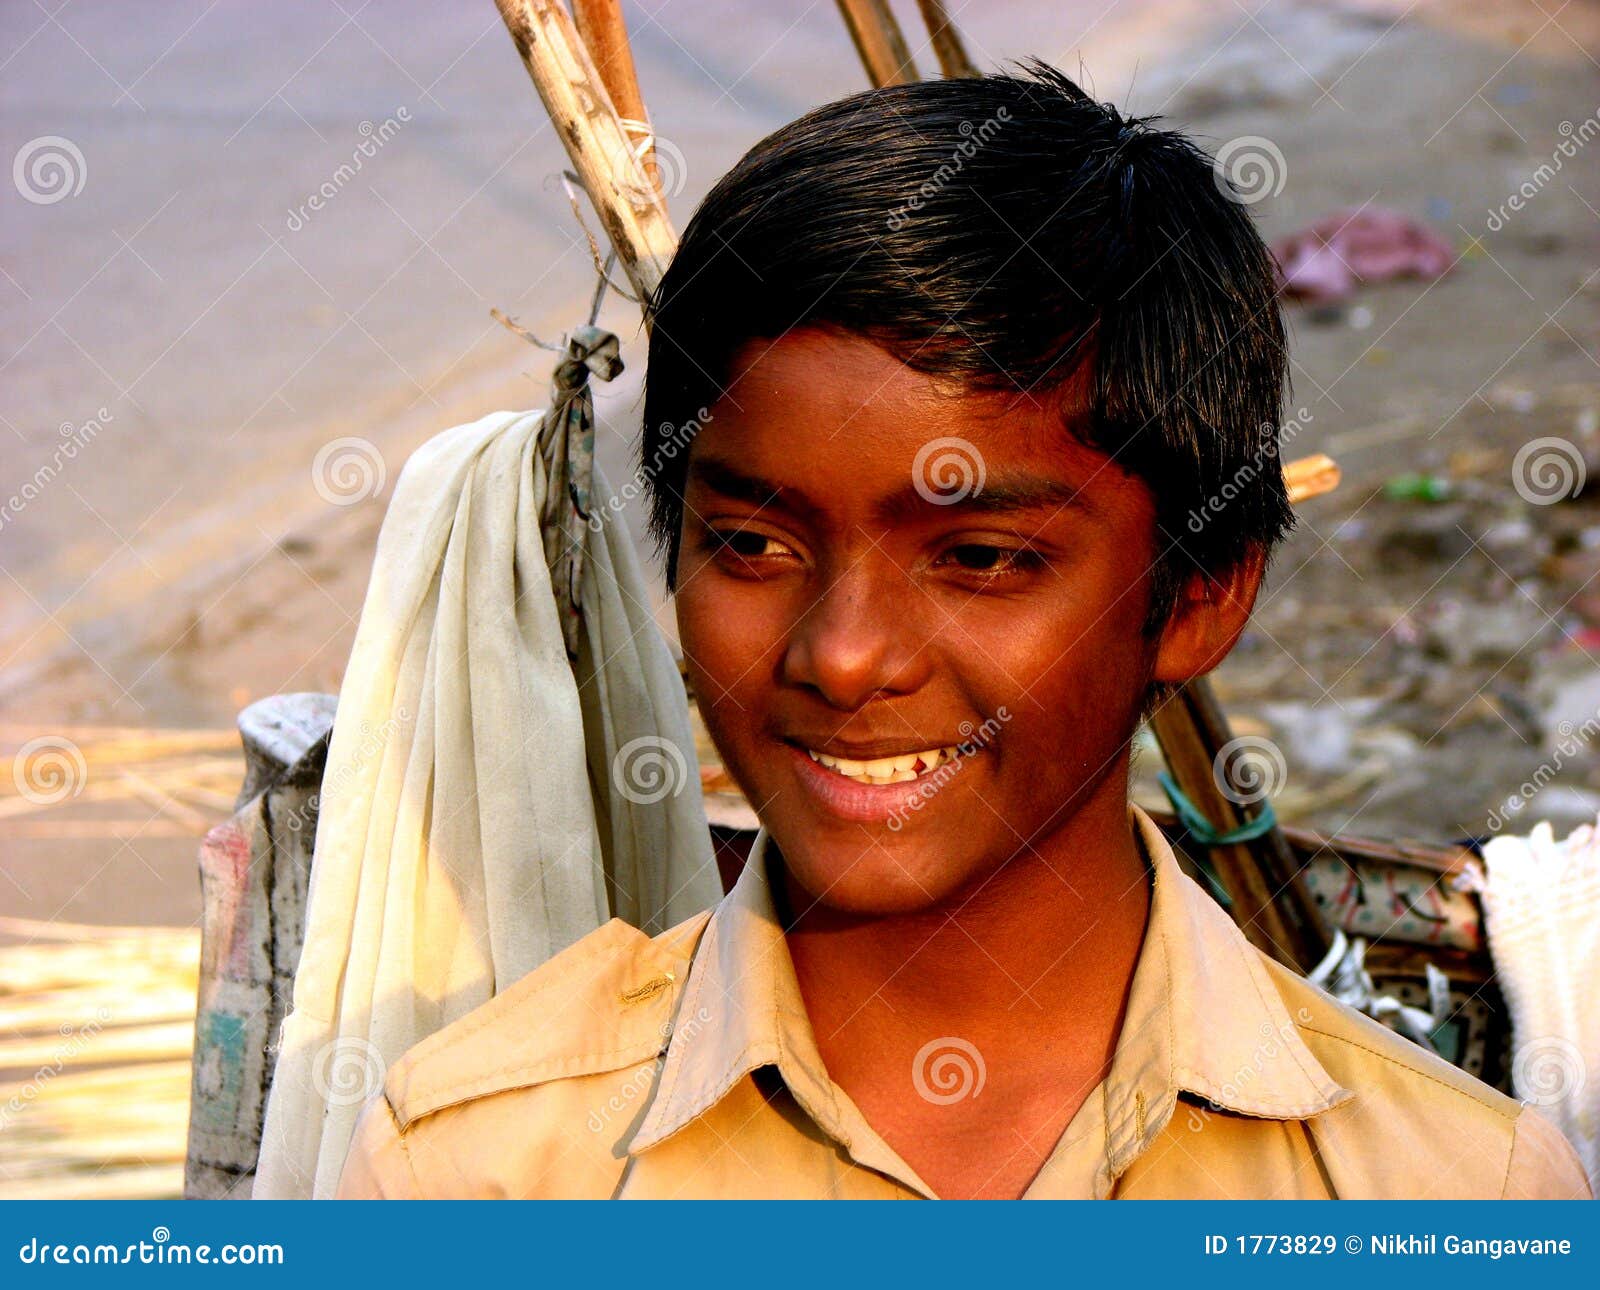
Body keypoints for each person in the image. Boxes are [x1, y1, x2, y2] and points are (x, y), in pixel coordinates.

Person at [334, 64, 1590, 1200]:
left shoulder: (1442, 1192)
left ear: (1199, 594)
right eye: (753, 546)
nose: (842, 656)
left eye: (979, 559)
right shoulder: (481, 1166)